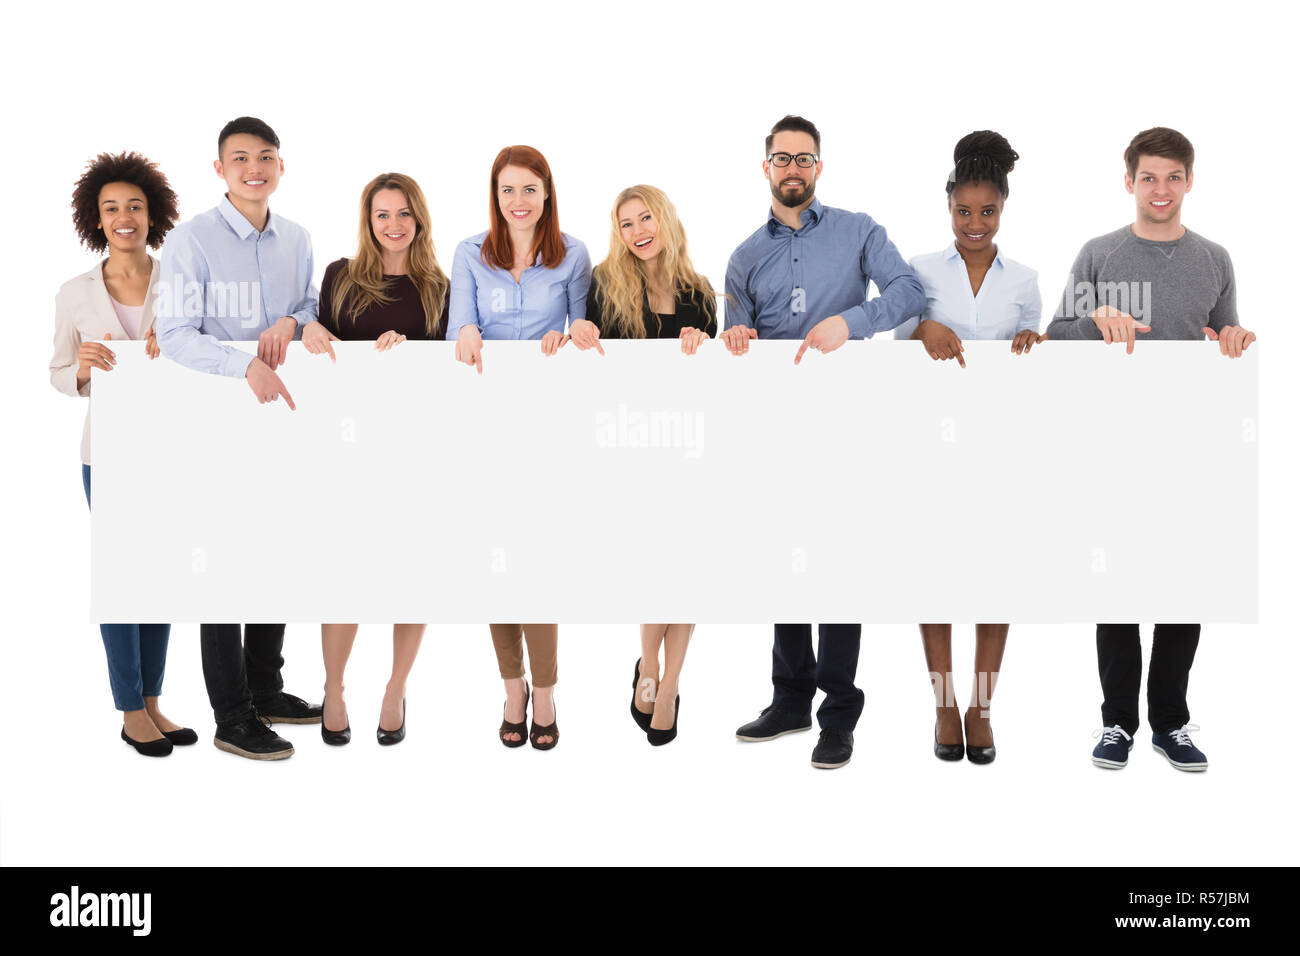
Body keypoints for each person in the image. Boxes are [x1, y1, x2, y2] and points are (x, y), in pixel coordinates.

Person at [1044, 127, 1255, 773]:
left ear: (1189, 181)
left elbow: (1219, 333)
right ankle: (1116, 724)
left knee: (1183, 582)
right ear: (1128, 181)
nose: (1160, 190)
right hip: (1110, 443)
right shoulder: (1099, 253)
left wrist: (1234, 337)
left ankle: (1170, 722)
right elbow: (1053, 336)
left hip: (1189, 444)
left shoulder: (1215, 258)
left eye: (1172, 177)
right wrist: (1093, 323)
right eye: (1147, 177)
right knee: (1118, 583)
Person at [724, 115, 925, 769]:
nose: (793, 168)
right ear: (765, 169)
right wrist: (738, 338)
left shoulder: (859, 231)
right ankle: (789, 700)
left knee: (838, 562)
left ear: (819, 167)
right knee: (785, 557)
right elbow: (737, 335)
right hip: (776, 427)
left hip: (846, 424)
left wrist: (852, 321)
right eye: (781, 158)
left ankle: (838, 714)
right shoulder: (744, 257)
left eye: (804, 158)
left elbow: (909, 292)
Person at [155, 116, 323, 760]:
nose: (255, 167)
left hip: (280, 419)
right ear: (220, 169)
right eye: (241, 158)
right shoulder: (192, 240)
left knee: (275, 552)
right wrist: (242, 363)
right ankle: (232, 714)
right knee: (225, 566)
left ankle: (266, 687)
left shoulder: (299, 238)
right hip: (216, 417)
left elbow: (311, 306)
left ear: (281, 166)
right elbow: (174, 333)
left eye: (267, 157)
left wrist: (289, 318)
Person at [893, 131, 1042, 764]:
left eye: (987, 212)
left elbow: (1039, 350)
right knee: (934, 572)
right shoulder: (920, 271)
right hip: (930, 443)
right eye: (963, 211)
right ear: (948, 207)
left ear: (1002, 209)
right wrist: (923, 324)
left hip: (999, 447)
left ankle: (982, 706)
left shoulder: (1025, 279)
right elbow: (896, 339)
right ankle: (943, 703)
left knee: (993, 577)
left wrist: (1034, 343)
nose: (974, 224)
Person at [50, 151, 195, 757]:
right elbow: (57, 371)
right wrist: (81, 368)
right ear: (96, 219)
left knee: (159, 577)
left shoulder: (183, 280)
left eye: (134, 205)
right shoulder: (75, 291)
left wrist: (182, 343)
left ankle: (154, 701)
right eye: (111, 208)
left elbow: (211, 360)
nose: (124, 216)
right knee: (121, 578)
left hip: (173, 452)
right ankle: (129, 707)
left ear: (152, 213)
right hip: (106, 454)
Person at [447, 145, 591, 749]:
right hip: (483, 423)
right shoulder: (469, 253)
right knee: (496, 560)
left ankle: (548, 690)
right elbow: (458, 325)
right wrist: (469, 330)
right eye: (507, 190)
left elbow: (584, 329)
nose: (518, 200)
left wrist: (575, 333)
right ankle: (513, 688)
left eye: (529, 188)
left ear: (547, 193)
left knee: (538, 563)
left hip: (548, 426)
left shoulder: (573, 254)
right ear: (495, 196)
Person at [300, 172, 451, 745]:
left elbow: (450, 363)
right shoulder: (341, 276)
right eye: (383, 214)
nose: (394, 225)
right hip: (350, 448)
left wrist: (412, 355)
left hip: (416, 448)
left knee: (411, 576)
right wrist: (312, 331)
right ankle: (334, 687)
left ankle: (394, 689)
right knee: (346, 574)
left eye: (404, 214)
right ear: (368, 220)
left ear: (420, 220)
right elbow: (325, 356)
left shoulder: (438, 284)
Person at [570, 184, 717, 745]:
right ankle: (647, 664)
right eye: (626, 224)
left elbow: (707, 373)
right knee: (655, 566)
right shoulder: (605, 284)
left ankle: (671, 680)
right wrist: (581, 331)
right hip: (629, 444)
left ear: (666, 219)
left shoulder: (698, 290)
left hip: (685, 445)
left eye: (645, 218)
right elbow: (587, 346)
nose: (637, 232)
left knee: (689, 572)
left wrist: (698, 339)